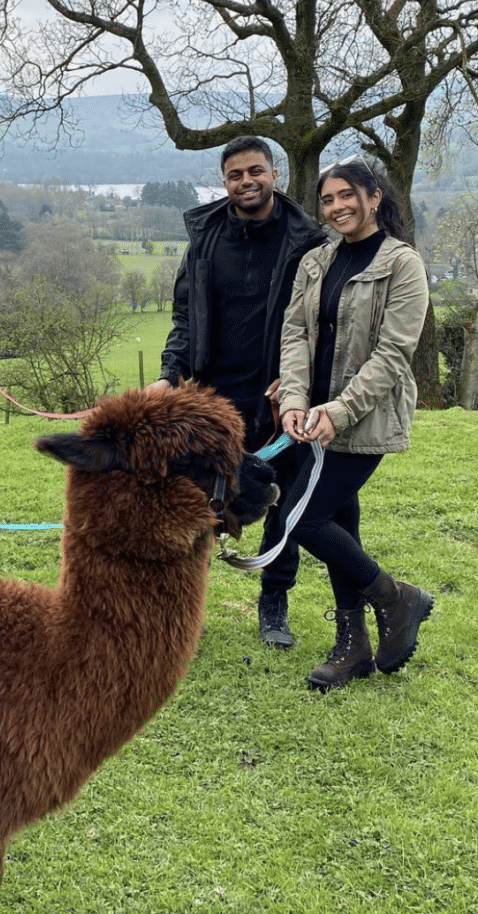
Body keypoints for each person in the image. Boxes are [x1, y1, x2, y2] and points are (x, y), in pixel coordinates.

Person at [150, 136, 327, 647]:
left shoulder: (307, 241)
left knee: (278, 496)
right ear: (224, 182)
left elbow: (321, 324)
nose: (246, 181)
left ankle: (274, 602)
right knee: (197, 500)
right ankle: (186, 605)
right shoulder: (204, 239)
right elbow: (185, 316)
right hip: (213, 395)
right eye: (235, 175)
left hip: (276, 398)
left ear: (275, 175)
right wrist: (169, 373)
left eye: (255, 171)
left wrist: (298, 381)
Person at [277, 154, 432, 691]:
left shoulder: (402, 265)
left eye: (348, 195)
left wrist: (338, 412)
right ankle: (354, 646)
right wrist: (294, 401)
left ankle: (397, 598)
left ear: (375, 198)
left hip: (358, 422)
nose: (337, 206)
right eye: (328, 198)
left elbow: (393, 355)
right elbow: (295, 334)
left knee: (302, 519)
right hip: (307, 421)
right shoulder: (316, 262)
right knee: (339, 525)